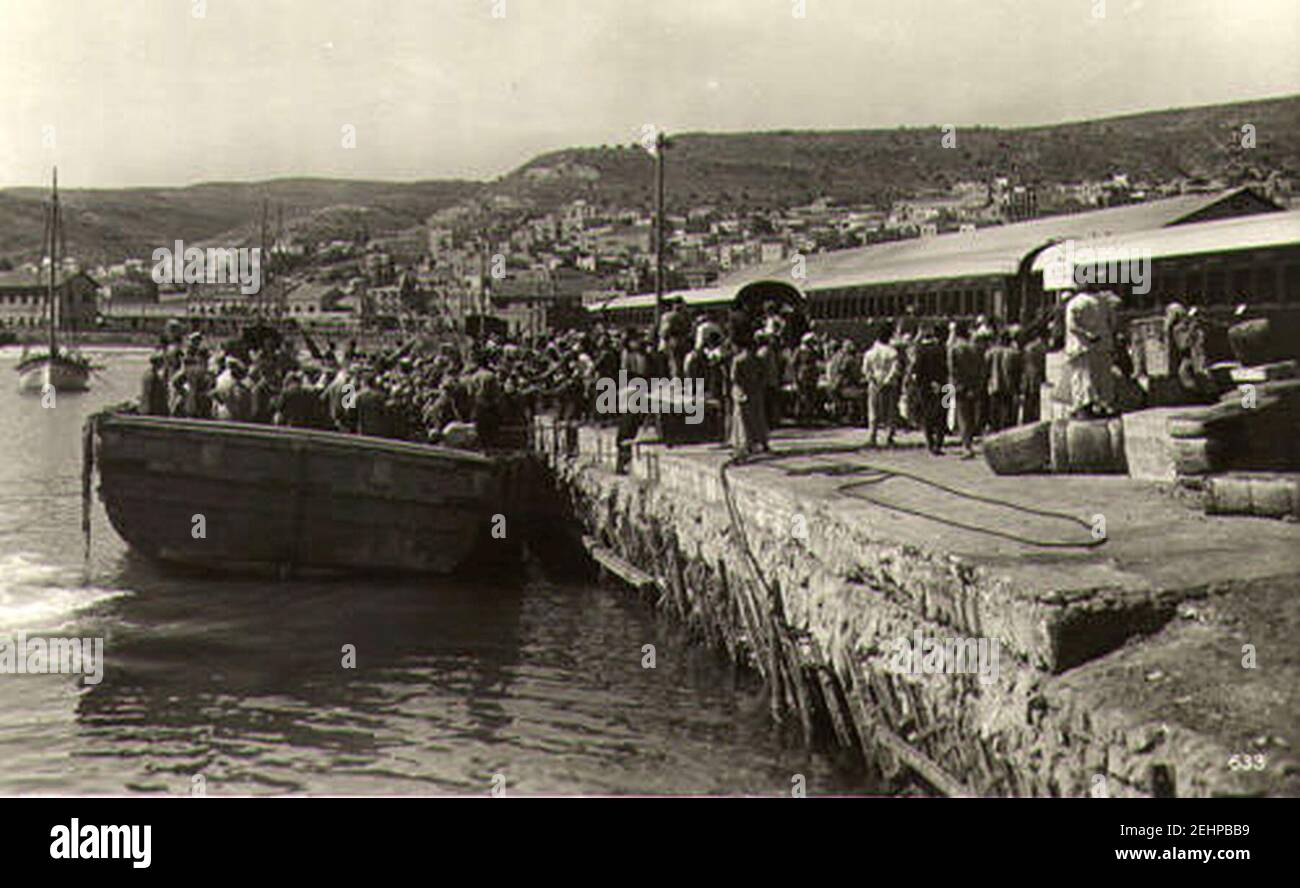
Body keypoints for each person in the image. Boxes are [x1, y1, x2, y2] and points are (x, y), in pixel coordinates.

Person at [1063, 290, 1117, 418]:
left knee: (1082, 378)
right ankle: (1103, 405)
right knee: (1102, 378)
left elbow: (1072, 326)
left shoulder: (1075, 303)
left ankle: (1083, 407)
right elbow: (1113, 323)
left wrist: (1087, 334)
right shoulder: (1104, 303)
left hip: (1080, 347)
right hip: (1103, 346)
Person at [729, 327, 769, 460]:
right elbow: (764, 374)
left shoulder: (738, 360)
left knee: (742, 420)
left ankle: (745, 445)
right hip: (756, 391)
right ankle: (762, 442)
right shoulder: (757, 359)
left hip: (742, 392)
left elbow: (734, 378)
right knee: (758, 418)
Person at [947, 321, 985, 459]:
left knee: (962, 416)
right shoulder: (974, 347)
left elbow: (952, 368)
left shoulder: (955, 348)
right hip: (973, 384)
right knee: (971, 415)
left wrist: (953, 384)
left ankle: (966, 446)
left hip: (960, 385)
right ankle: (969, 441)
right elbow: (981, 367)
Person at [909, 324, 948, 455]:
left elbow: (917, 370)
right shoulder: (943, 349)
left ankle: (930, 442)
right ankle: (939, 443)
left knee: (927, 414)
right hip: (943, 385)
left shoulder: (921, 350)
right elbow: (946, 368)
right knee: (942, 413)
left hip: (925, 387)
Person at [861, 329, 900, 447]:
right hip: (889, 384)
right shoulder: (892, 352)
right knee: (890, 410)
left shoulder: (869, 353)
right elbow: (895, 369)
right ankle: (889, 436)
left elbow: (865, 369)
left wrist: (872, 379)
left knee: (873, 409)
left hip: (874, 383)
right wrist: (887, 380)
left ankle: (872, 435)